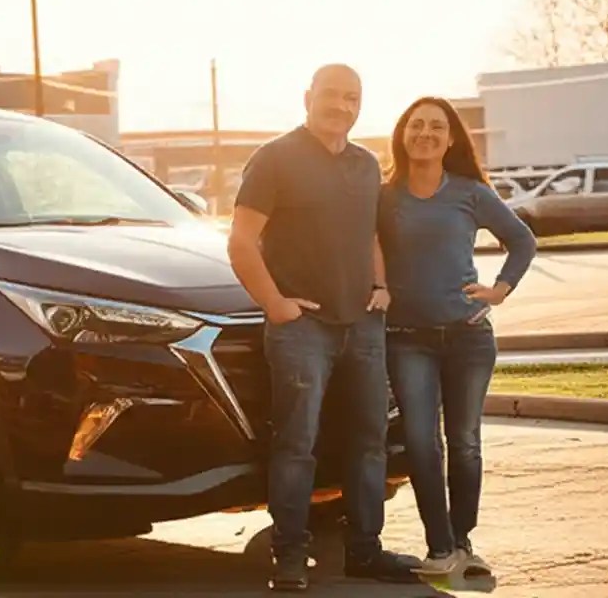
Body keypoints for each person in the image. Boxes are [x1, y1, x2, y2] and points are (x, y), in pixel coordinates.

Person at [228, 63, 417, 591]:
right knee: (296, 443)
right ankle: (289, 557)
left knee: (368, 441)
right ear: (308, 96)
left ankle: (365, 550)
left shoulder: (363, 164)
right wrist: (274, 304)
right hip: (301, 330)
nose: (342, 105)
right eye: (332, 95)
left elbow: (370, 238)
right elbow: (241, 241)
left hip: (362, 326)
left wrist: (380, 287)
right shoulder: (275, 159)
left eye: (352, 97)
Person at [377, 96, 537, 577]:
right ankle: (440, 548)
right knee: (423, 444)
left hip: (469, 337)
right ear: (403, 134)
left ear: (451, 139)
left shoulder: (469, 192)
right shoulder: (384, 196)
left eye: (436, 127)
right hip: (407, 339)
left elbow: (522, 239)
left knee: (464, 441)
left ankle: (463, 543)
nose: (425, 133)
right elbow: (363, 247)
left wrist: (498, 291)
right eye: (416, 125)